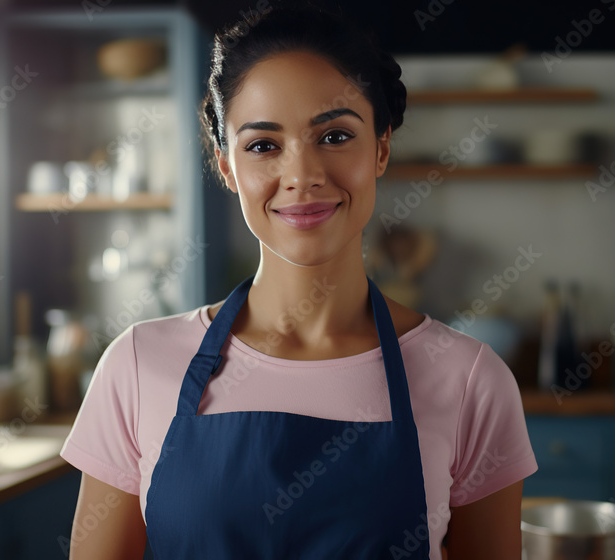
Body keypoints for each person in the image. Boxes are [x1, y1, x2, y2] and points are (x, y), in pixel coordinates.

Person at [61, 6, 537, 559]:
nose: (303, 175)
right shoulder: (138, 366)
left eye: (335, 136)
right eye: (263, 145)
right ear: (225, 165)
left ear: (381, 148)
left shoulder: (471, 381)